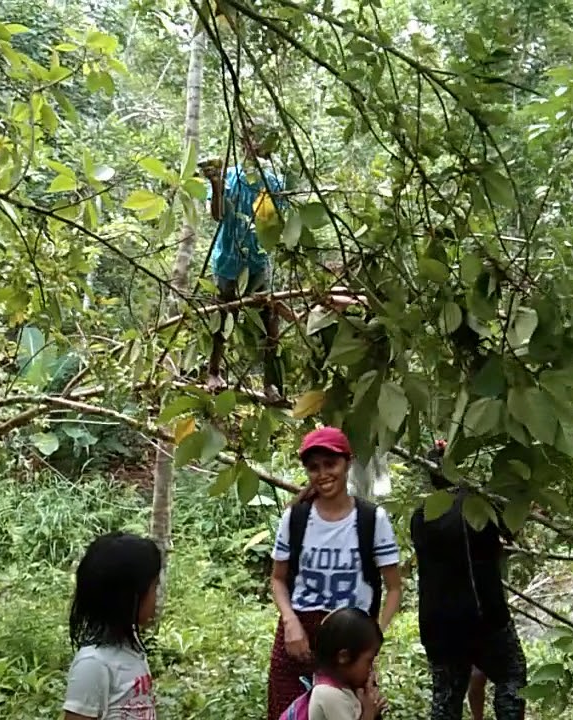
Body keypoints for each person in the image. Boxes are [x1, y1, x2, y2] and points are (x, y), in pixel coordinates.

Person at [268, 427, 403, 720]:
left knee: (358, 713)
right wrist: (290, 623)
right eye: (314, 467)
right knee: (290, 713)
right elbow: (278, 579)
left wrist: (373, 637)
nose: (322, 474)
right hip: (299, 635)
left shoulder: (371, 519)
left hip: (350, 635)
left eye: (331, 464)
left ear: (347, 463)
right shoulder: (296, 517)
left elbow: (393, 587)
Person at [411, 439, 527, 720]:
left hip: (438, 623)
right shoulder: (479, 506)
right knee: (511, 675)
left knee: (446, 697)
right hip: (483, 616)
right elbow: (513, 529)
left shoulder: (420, 516)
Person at [200, 123, 287, 402]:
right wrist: (215, 184)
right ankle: (214, 371)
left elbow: (273, 226)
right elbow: (217, 215)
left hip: (258, 262)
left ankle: (271, 384)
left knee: (269, 323)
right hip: (228, 262)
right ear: (244, 143)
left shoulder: (273, 183)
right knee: (223, 317)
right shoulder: (229, 177)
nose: (258, 144)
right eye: (253, 138)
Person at [63, 532, 162, 720]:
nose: (156, 598)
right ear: (129, 597)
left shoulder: (132, 649)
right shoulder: (93, 664)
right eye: (154, 588)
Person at [277, 608, 388, 720]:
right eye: (369, 661)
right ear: (343, 657)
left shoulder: (343, 686)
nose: (372, 668)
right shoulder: (329, 694)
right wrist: (369, 712)